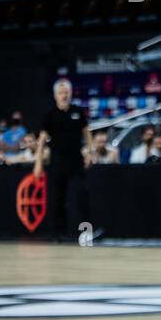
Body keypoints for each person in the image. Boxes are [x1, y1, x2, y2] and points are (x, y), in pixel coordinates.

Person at [33, 78, 93, 242]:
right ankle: (59, 234)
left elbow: (86, 133)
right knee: (57, 199)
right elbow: (42, 139)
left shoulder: (78, 111)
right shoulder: (50, 115)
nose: (63, 95)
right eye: (60, 93)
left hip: (76, 162)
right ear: (55, 95)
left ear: (70, 93)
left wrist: (89, 151)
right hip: (57, 163)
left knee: (82, 196)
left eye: (66, 92)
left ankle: (86, 233)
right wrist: (38, 163)